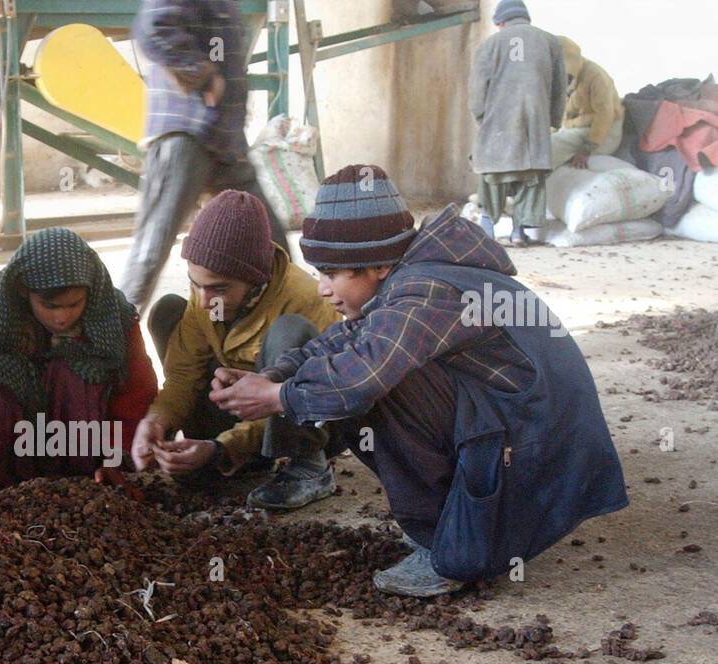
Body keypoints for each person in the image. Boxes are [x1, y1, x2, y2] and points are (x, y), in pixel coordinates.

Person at [208, 165, 627, 596]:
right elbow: (343, 341)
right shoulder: (410, 275)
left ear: (380, 265)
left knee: (374, 388)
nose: (321, 289)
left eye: (331, 274)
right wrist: (272, 375)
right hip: (516, 427)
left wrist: (279, 397)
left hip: (542, 451)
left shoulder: (427, 287)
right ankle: (449, 523)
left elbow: (360, 379)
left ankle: (441, 545)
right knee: (350, 373)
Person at [130, 190, 338, 507]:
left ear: (256, 279)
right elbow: (184, 374)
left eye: (218, 288)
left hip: (303, 419)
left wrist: (223, 449)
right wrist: (158, 421)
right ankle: (208, 451)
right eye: (196, 283)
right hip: (239, 415)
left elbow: (308, 396)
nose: (203, 300)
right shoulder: (208, 295)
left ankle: (308, 469)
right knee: (167, 311)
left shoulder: (305, 299)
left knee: (289, 332)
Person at [0, 228, 158, 486]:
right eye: (49, 306)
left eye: (74, 305)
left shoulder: (114, 319)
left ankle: (77, 477)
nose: (61, 318)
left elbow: (136, 393)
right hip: (3, 453)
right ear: (23, 291)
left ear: (91, 293)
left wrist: (115, 458)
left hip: (85, 456)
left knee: (69, 373)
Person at [118, 0, 287, 311]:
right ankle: (112, 346)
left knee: (273, 246)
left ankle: (298, 339)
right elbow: (154, 28)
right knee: (151, 251)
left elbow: (217, 47)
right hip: (186, 135)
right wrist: (203, 74)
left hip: (225, 141)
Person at [468, 0, 566, 247]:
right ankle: (518, 232)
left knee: (492, 176)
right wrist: (552, 120)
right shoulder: (551, 42)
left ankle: (488, 228)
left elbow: (477, 91)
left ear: (500, 22)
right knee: (529, 176)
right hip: (535, 122)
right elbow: (559, 88)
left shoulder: (489, 45)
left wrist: (482, 118)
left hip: (498, 124)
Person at [551, 37, 624, 171]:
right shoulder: (558, 79)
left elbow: (605, 115)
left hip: (603, 132)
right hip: (573, 127)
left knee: (549, 148)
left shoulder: (596, 76)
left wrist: (586, 149)